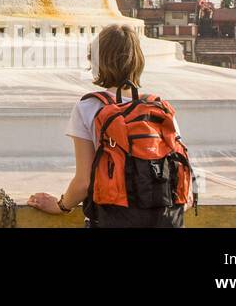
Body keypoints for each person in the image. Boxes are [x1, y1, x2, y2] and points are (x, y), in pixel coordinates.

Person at [27, 24, 191, 227]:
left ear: (97, 61)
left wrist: (60, 206)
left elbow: (84, 183)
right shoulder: (160, 110)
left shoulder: (88, 107)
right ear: (138, 60)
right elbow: (182, 181)